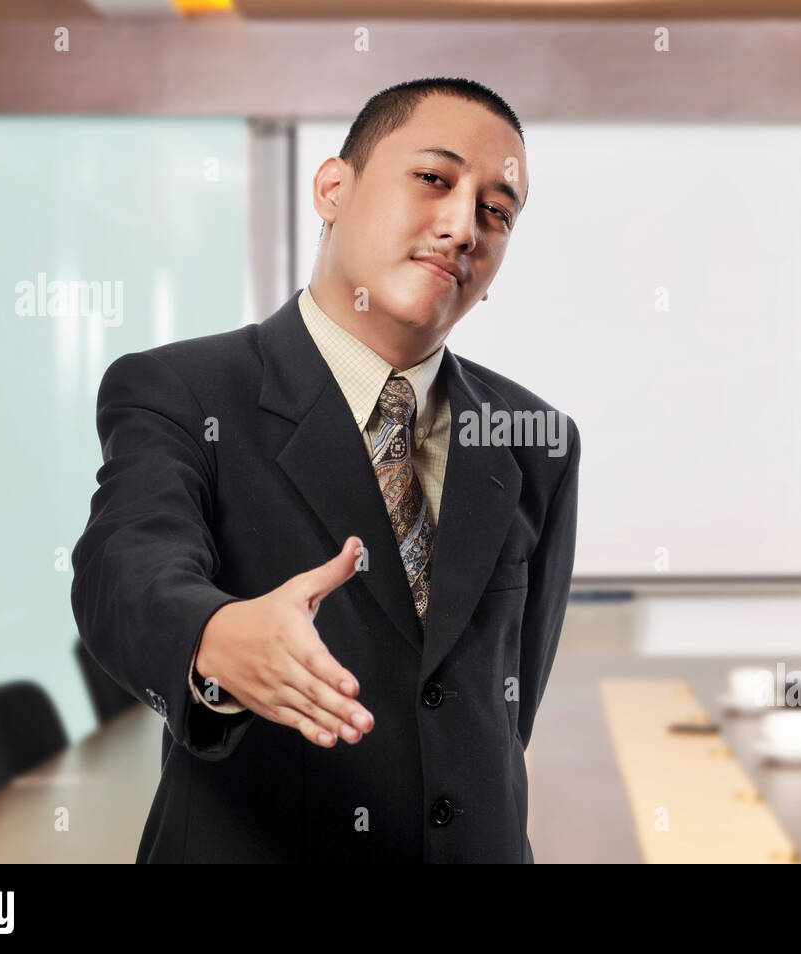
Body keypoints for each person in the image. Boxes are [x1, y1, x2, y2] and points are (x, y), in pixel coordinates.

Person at [70, 76, 581, 863]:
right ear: (334, 188)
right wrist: (212, 635)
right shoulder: (184, 390)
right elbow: (123, 567)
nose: (462, 226)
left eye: (496, 211)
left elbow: (508, 712)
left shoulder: (536, 438)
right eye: (434, 180)